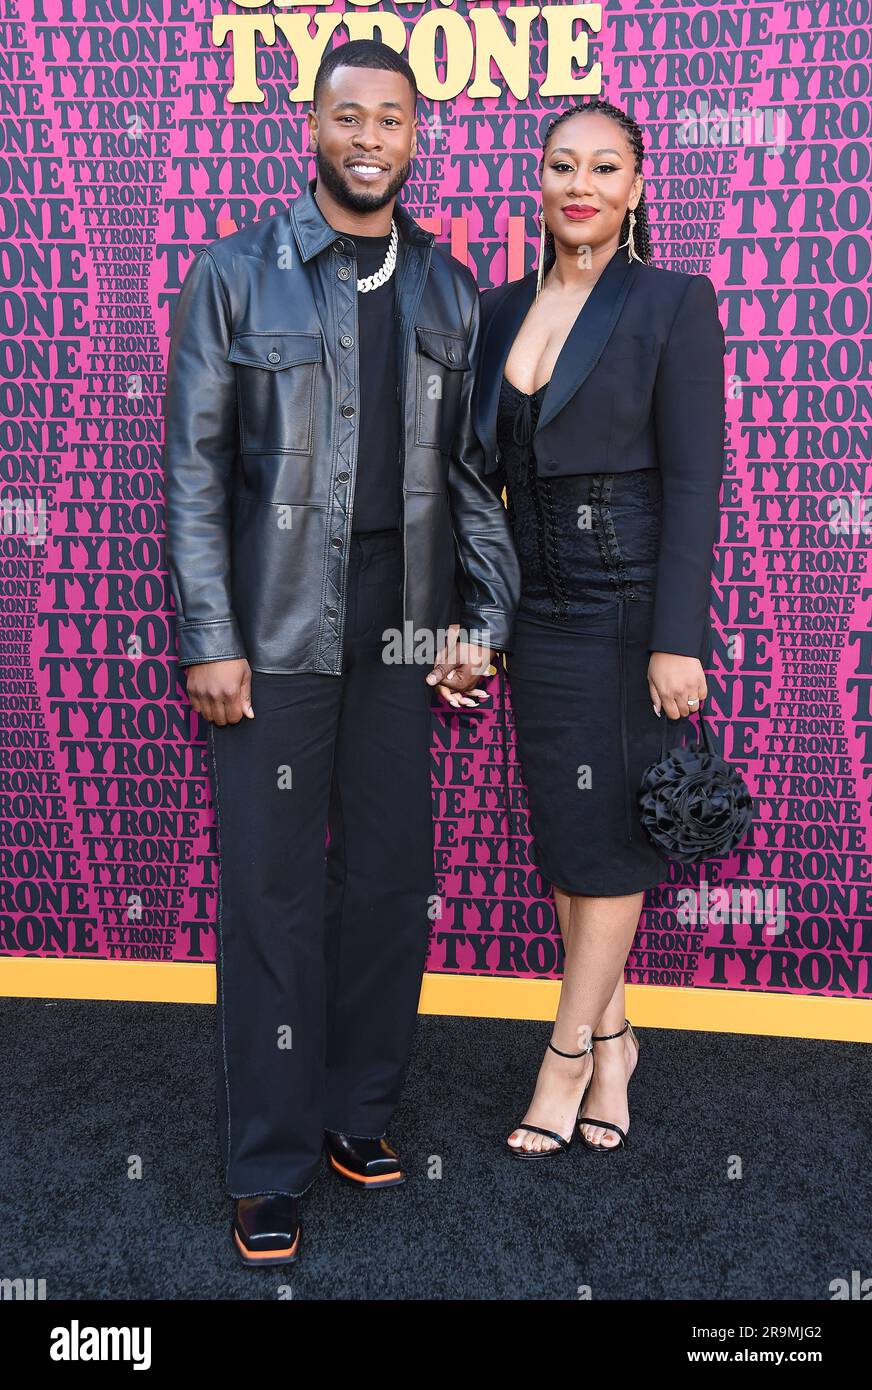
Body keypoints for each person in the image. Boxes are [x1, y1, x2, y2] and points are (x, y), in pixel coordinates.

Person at [162, 38, 520, 1262]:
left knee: (382, 885)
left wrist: (481, 622)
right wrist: (212, 636)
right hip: (274, 623)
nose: (370, 139)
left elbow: (472, 479)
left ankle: (354, 1114)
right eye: (348, 118)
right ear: (309, 128)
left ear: (418, 139)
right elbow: (195, 471)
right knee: (270, 895)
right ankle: (266, 1161)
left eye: (393, 121)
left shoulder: (445, 287)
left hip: (405, 623)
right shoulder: (233, 274)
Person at [471, 99, 726, 1158]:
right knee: (568, 843)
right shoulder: (494, 310)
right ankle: (616, 1034)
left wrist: (678, 638)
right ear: (539, 182)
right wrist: (472, 619)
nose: (580, 184)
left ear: (633, 188)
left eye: (604, 167)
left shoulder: (670, 303)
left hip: (624, 618)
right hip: (535, 613)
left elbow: (693, 480)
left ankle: (564, 1054)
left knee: (610, 845)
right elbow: (472, 484)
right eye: (561, 165)